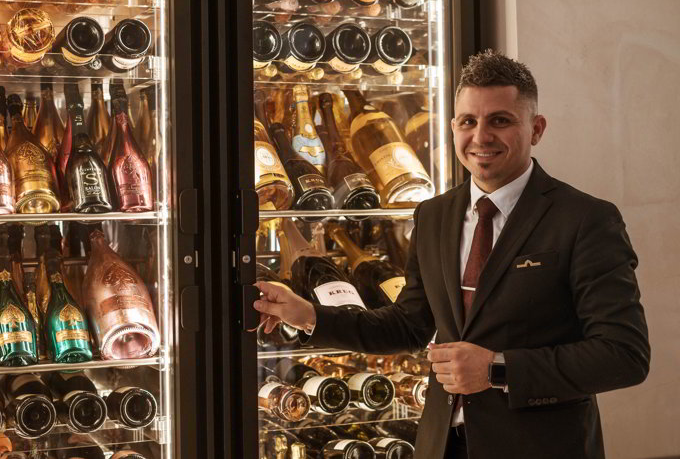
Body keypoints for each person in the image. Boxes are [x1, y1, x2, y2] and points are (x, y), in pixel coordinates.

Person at [253, 50, 650, 459]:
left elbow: (623, 355)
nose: (481, 137)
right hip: (442, 445)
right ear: (453, 127)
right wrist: (310, 316)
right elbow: (408, 326)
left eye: (500, 120)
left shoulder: (585, 219)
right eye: (468, 122)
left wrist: (497, 368)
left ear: (536, 129)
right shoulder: (434, 214)